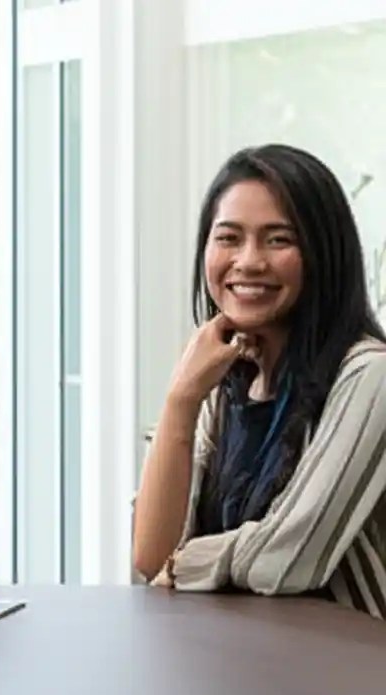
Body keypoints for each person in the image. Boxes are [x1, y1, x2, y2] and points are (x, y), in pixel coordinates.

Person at [132, 143, 386, 616]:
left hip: (350, 678)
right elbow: (150, 556)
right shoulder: (222, 382)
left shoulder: (369, 375)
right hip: (234, 666)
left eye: (278, 240)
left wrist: (182, 565)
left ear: (323, 254)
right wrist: (181, 399)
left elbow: (288, 560)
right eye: (228, 238)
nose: (248, 261)